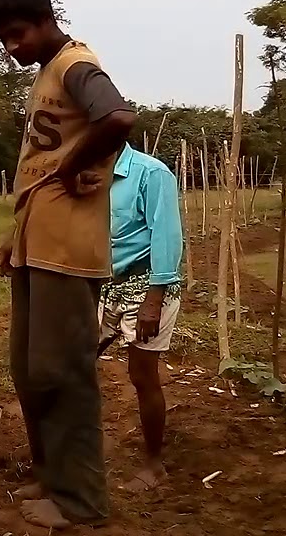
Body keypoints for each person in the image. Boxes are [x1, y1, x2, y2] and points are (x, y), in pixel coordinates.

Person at [0, 0, 137, 530]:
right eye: (3, 40)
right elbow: (37, 170)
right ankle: (53, 476)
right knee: (30, 370)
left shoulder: (75, 63)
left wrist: (74, 167)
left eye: (17, 34)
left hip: (67, 250)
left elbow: (118, 117)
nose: (12, 47)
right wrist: (14, 236)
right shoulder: (47, 74)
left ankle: (81, 500)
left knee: (63, 371)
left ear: (46, 19)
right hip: (36, 242)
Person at [98, 142, 183, 493]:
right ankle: (78, 453)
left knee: (141, 374)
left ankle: (153, 464)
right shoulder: (92, 171)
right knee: (76, 361)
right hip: (106, 282)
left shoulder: (151, 173)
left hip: (147, 284)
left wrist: (154, 299)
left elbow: (166, 236)